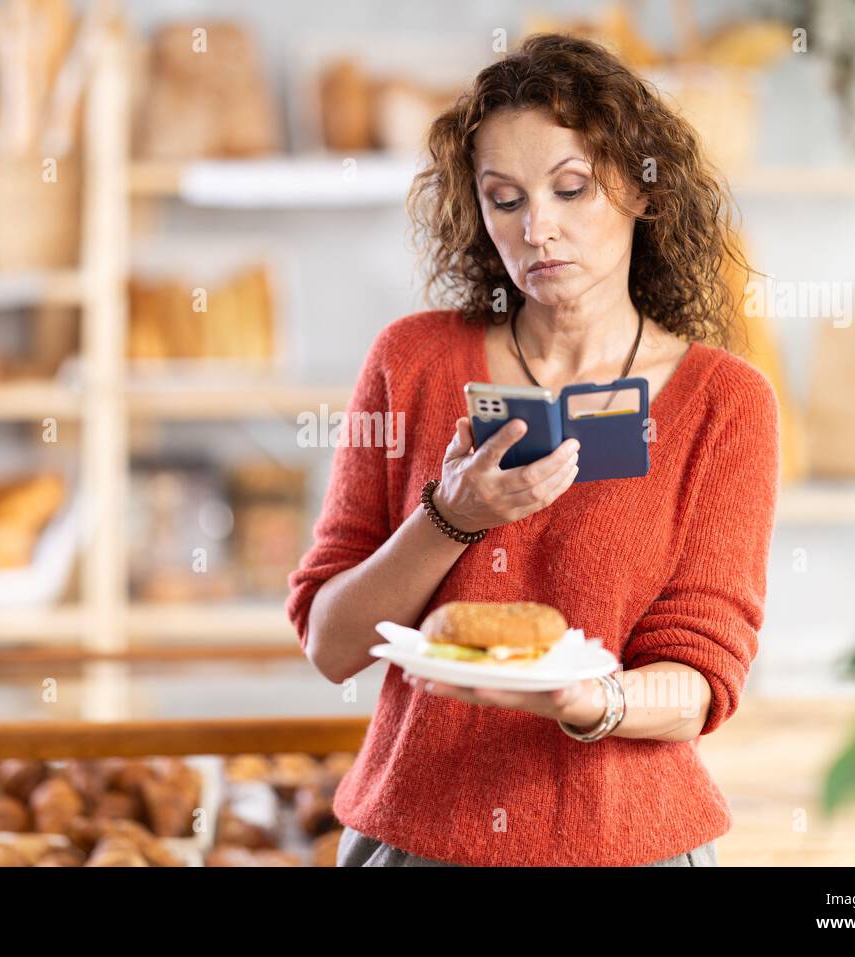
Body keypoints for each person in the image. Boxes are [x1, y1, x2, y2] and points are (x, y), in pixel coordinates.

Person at [286, 32, 780, 867]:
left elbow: (702, 674)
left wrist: (587, 700)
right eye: (505, 198)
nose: (538, 228)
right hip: (416, 839)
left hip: (632, 845)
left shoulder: (726, 403)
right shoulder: (410, 363)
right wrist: (452, 518)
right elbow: (333, 644)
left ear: (642, 191)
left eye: (571, 188)